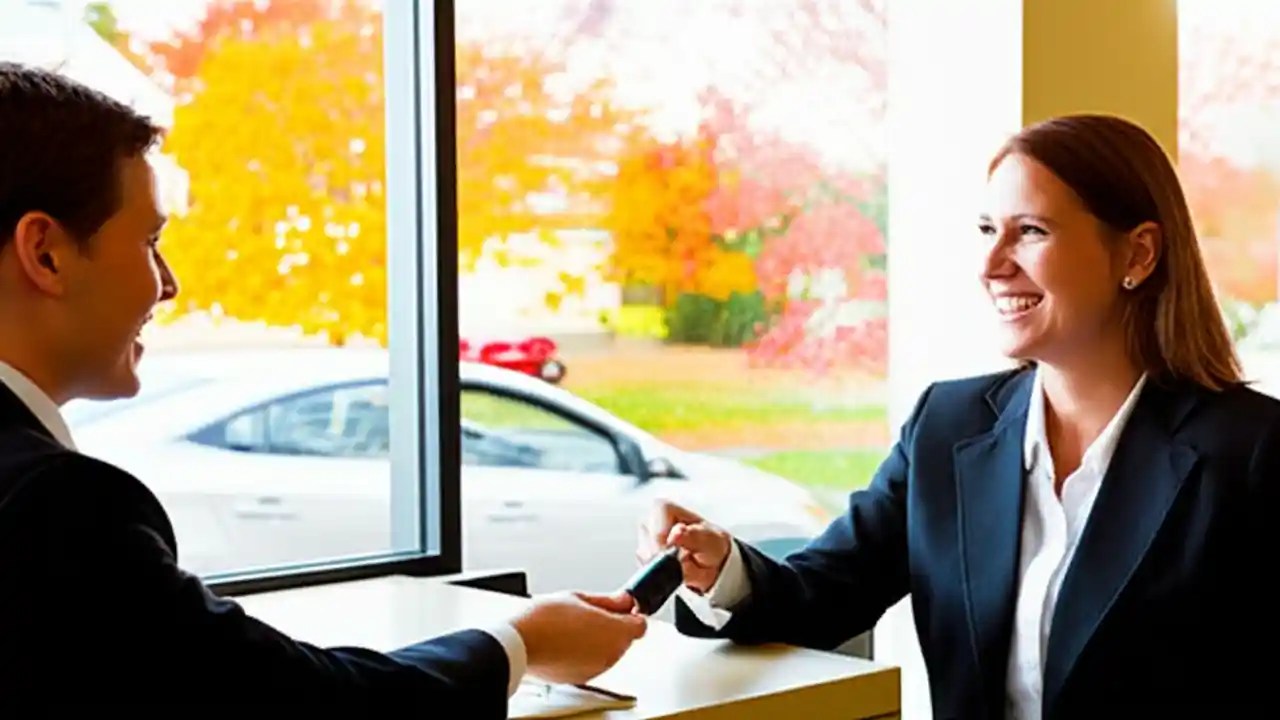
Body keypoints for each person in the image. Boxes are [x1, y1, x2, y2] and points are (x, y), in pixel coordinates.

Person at [0, 62, 646, 711]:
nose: (167, 285)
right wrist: (522, 642)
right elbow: (311, 706)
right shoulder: (62, 507)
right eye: (150, 241)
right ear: (46, 253)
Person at [638, 113, 1280, 717]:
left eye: (1031, 231)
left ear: (1138, 255)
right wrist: (717, 566)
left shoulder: (1251, 452)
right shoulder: (948, 425)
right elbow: (820, 597)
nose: (991, 264)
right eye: (985, 230)